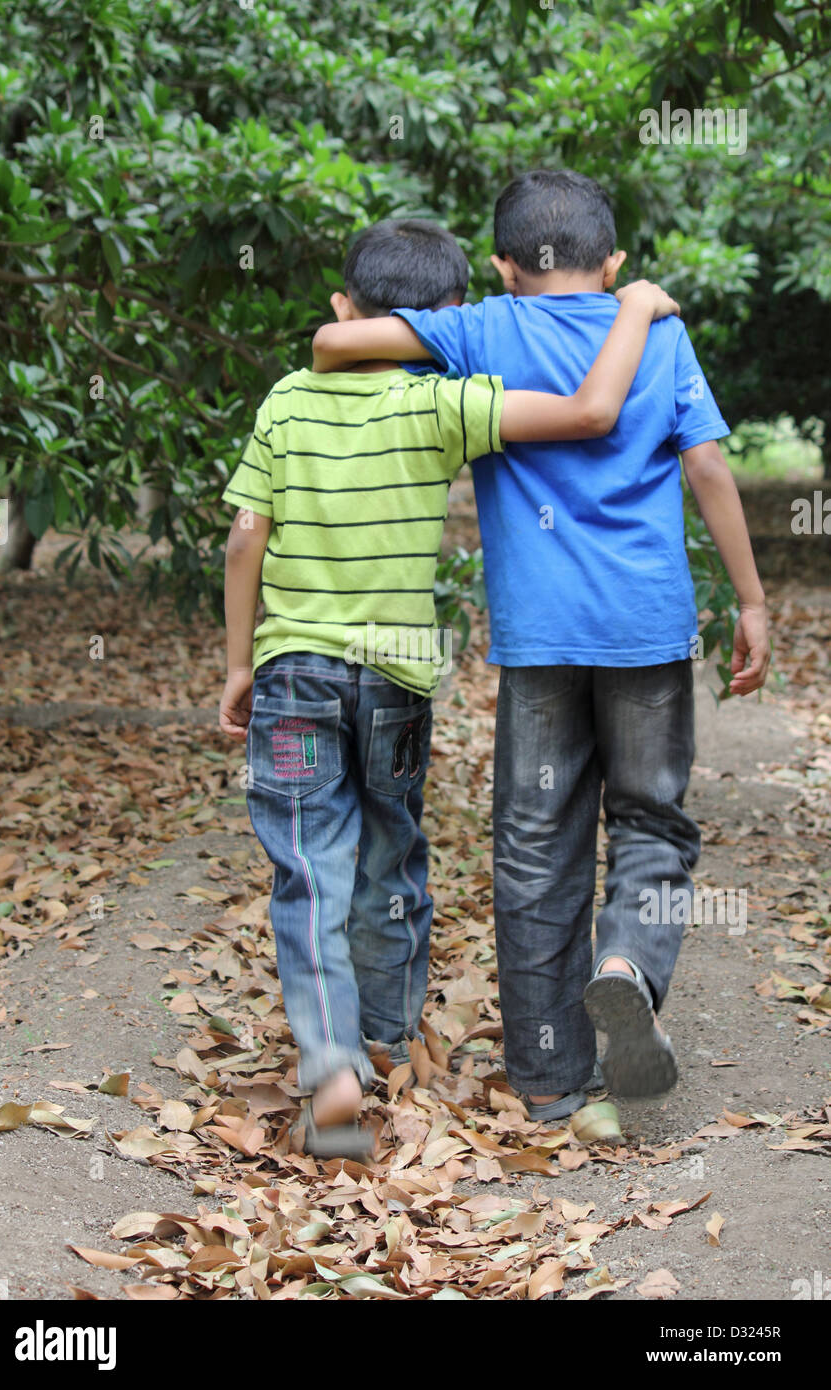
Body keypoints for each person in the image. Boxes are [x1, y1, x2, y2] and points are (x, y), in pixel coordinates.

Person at [309, 172, 771, 1124]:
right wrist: (753, 600)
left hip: (540, 643)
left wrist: (450, 321)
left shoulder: (481, 327)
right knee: (653, 821)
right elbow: (710, 467)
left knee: (533, 847)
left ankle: (550, 1075)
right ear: (613, 262)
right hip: (646, 631)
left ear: (502, 263)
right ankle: (626, 963)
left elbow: (337, 343)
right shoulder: (657, 330)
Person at [219, 216, 680, 1156]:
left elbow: (244, 538)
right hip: (392, 680)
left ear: (346, 309)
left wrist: (238, 663)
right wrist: (630, 310)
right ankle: (390, 1038)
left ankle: (333, 1066)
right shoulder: (443, 403)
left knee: (309, 871)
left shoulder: (281, 404)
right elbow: (589, 411)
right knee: (393, 856)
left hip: (292, 674)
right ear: (444, 321)